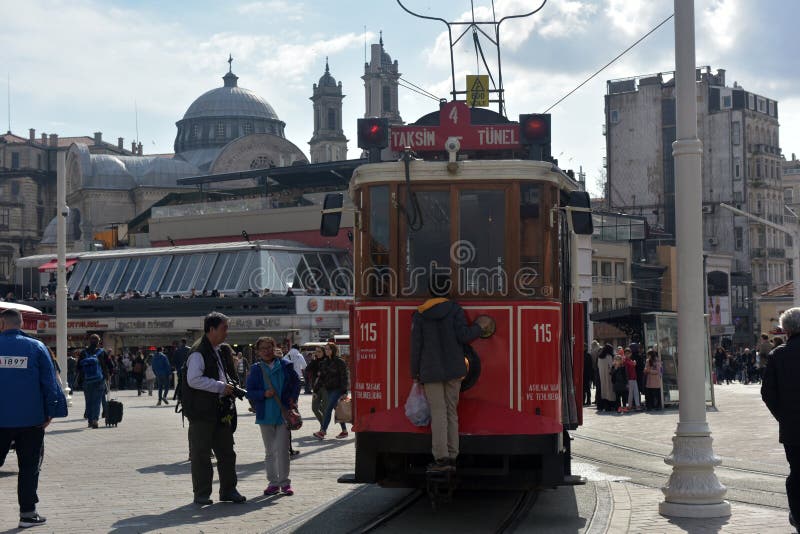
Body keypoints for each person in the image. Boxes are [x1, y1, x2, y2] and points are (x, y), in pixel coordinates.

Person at [409, 274, 489, 472]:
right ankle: (453, 455)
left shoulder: (420, 314)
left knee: (438, 413)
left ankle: (441, 458)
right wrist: (479, 327)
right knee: (451, 412)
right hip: (454, 370)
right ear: (447, 290)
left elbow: (416, 347)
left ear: (430, 290)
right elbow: (464, 336)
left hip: (430, 371)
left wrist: (415, 372)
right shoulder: (454, 309)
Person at [0, 308, 67, 528]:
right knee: (29, 467)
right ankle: (27, 514)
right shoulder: (37, 347)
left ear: (2, 325)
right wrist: (50, 412)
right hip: (31, 420)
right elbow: (49, 383)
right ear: (21, 324)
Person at [181, 312, 245, 505]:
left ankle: (228, 490)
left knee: (226, 452)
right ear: (211, 329)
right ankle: (202, 494)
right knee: (201, 454)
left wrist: (231, 387)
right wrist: (220, 387)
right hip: (202, 412)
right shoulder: (199, 351)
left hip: (219, 410)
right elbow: (193, 380)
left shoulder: (218, 349)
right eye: (224, 328)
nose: (227, 332)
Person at [761, 307, 800, 532]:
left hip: (793, 429)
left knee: (797, 473)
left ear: (785, 330)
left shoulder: (779, 355)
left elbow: (768, 393)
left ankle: (798, 515)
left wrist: (783, 416)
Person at [246, 336, 300, 496]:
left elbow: (296, 384)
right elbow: (250, 392)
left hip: (283, 414)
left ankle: (285, 483)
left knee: (283, 450)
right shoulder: (256, 369)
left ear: (274, 348)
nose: (266, 351)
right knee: (270, 451)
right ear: (258, 352)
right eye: (262, 348)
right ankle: (273, 483)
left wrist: (293, 400)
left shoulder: (285, 365)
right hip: (265, 415)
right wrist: (263, 393)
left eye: (269, 347)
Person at [312, 343, 350, 440]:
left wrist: (344, 391)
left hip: (337, 389)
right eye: (326, 349)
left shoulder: (339, 362)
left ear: (333, 350)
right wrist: (315, 390)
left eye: (328, 349)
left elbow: (344, 377)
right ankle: (344, 431)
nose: (327, 351)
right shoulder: (325, 362)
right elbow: (321, 377)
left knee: (328, 409)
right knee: (336, 409)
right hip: (328, 389)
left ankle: (323, 431)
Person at [76, 334, 108, 429]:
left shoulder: (83, 353)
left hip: (87, 380)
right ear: (99, 342)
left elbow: (78, 367)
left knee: (88, 400)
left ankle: (90, 421)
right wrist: (107, 375)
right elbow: (109, 365)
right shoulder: (102, 352)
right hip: (99, 379)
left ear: (90, 341)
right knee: (97, 400)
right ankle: (95, 419)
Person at [306, 346, 327, 422]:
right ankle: (323, 425)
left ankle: (323, 428)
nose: (317, 353)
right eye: (316, 351)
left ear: (324, 352)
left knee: (324, 409)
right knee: (314, 408)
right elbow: (307, 369)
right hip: (316, 388)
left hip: (325, 387)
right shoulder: (314, 361)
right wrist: (313, 360)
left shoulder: (327, 361)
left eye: (319, 351)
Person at [597, 344, 616, 412]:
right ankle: (611, 406)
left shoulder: (599, 357)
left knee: (604, 390)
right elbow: (611, 366)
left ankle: (605, 406)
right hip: (609, 376)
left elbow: (598, 366)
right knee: (610, 391)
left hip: (601, 376)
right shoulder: (609, 356)